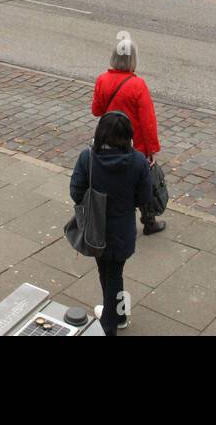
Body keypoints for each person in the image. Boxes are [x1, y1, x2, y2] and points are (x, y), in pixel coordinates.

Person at [70, 112, 152, 336]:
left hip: (95, 229)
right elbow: (144, 198)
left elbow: (76, 192)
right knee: (114, 271)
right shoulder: (138, 161)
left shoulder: (88, 158)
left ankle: (109, 326)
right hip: (123, 230)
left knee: (108, 272)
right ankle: (119, 313)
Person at [91, 39, 164, 235]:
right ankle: (149, 221)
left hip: (108, 141)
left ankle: (110, 216)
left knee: (112, 180)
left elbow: (96, 110)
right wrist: (152, 150)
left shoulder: (102, 80)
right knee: (143, 182)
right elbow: (148, 122)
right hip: (135, 145)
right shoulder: (138, 85)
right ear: (133, 60)